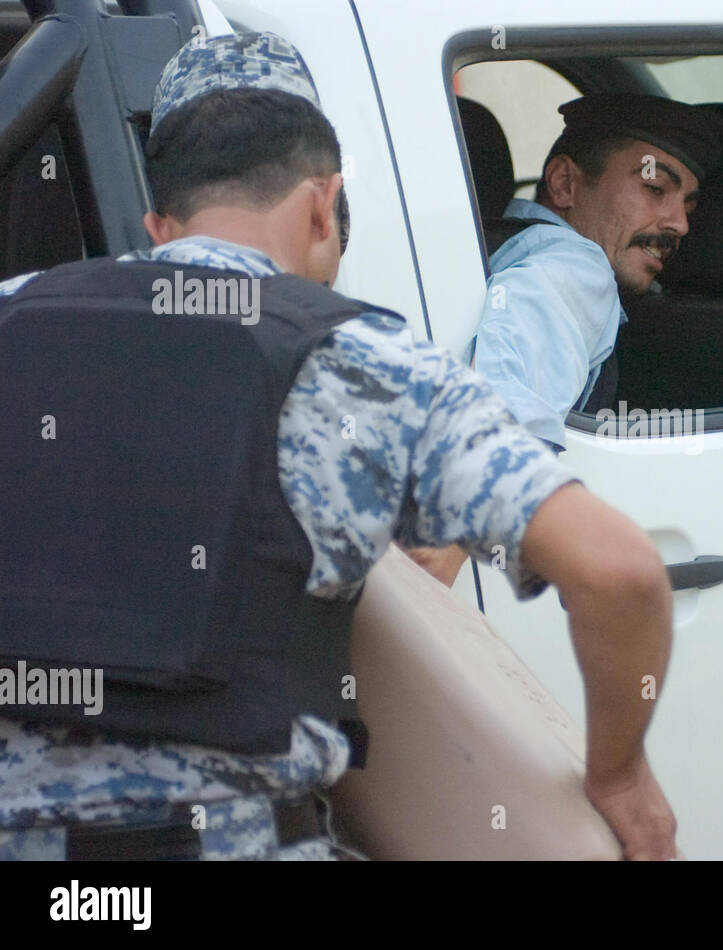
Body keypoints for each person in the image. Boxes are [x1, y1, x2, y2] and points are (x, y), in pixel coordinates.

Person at [0, 32, 675, 861]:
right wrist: (619, 773)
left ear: (156, 226)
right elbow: (620, 572)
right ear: (326, 204)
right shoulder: (363, 363)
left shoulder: (14, 315)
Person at [472, 93, 723, 450]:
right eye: (655, 188)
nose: (681, 224)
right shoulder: (580, 268)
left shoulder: (486, 246)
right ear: (564, 183)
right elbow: (499, 445)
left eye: (689, 206)